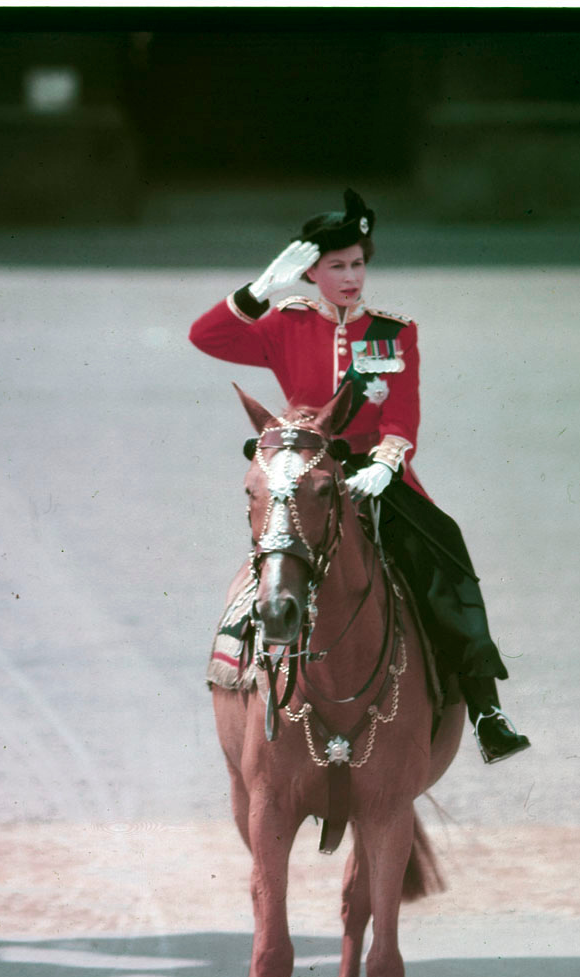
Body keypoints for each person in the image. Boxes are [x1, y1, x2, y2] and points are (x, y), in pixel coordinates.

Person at [190, 188, 530, 764]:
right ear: (312, 273)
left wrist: (385, 462)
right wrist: (259, 290)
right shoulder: (284, 324)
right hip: (304, 471)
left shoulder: (392, 332)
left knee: (445, 561)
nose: (351, 277)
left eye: (358, 264)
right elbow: (207, 337)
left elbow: (402, 414)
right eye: (336, 266)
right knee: (270, 561)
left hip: (377, 477)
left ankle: (485, 710)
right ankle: (241, 670)